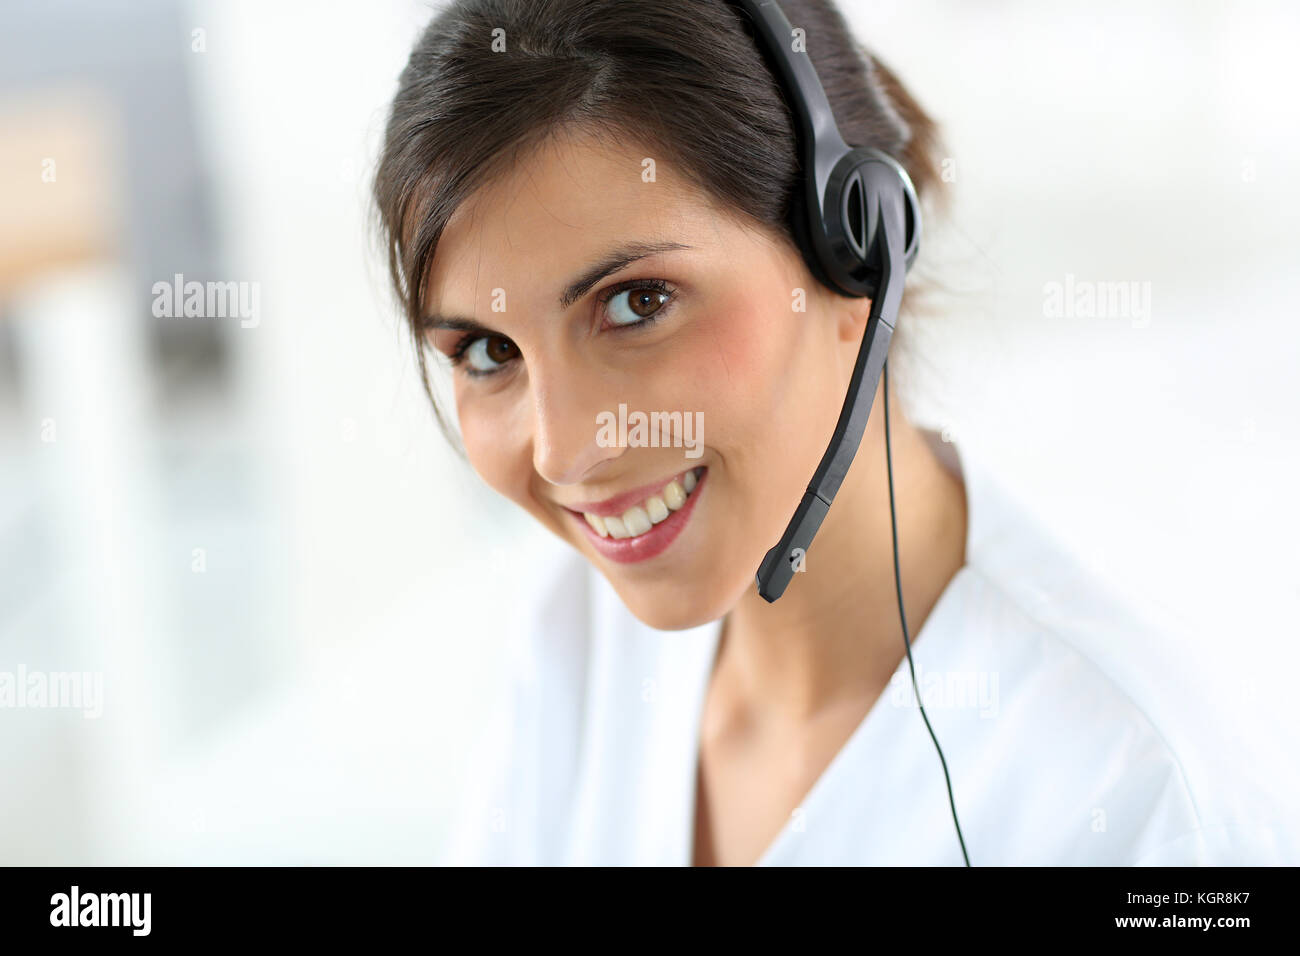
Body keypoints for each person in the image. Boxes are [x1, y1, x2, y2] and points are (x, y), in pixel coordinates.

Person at [372, 0, 1298, 865]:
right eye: (489, 350)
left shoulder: (1144, 795)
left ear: (858, 252)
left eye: (638, 302)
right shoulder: (574, 636)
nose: (563, 450)